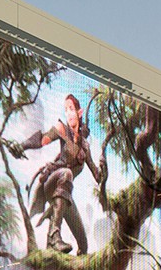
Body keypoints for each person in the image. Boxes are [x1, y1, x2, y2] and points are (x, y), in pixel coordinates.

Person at [5, 93, 103, 254]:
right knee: (66, 173)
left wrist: (103, 170)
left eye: (71, 109)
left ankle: (65, 257)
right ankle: (54, 237)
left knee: (83, 244)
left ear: (79, 112)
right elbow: (41, 140)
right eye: (66, 110)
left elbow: (97, 174)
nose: (68, 113)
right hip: (52, 181)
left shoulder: (85, 147)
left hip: (64, 192)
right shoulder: (62, 129)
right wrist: (20, 146)